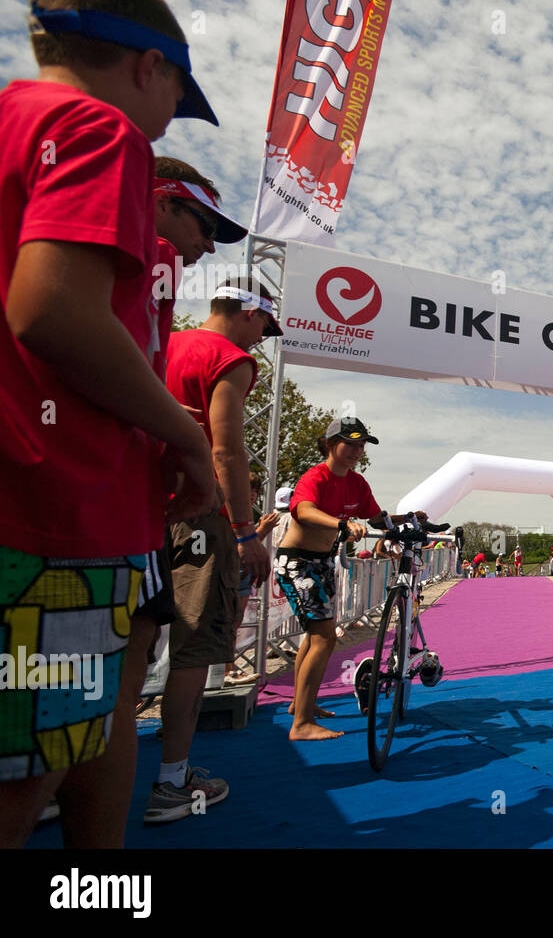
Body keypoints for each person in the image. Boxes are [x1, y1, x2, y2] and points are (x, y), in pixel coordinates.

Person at [0, 0, 221, 848]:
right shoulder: (98, 130)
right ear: (149, 65)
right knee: (25, 781)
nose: (171, 121)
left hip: (54, 506)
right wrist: (182, 433)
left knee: (84, 733)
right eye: (178, 97)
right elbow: (51, 311)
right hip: (57, 512)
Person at [143, 278, 279, 822]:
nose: (263, 341)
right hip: (202, 516)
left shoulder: (164, 343)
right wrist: (245, 533)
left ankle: (69, 776)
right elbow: (228, 451)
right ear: (248, 313)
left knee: (132, 643)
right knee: (193, 652)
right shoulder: (230, 359)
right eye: (265, 328)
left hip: (143, 511)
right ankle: (172, 780)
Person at [274, 417, 390, 734]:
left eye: (361, 444)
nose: (357, 450)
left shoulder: (357, 483)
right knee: (324, 637)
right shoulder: (316, 476)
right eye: (350, 443)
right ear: (330, 444)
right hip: (297, 562)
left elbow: (378, 517)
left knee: (315, 638)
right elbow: (302, 510)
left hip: (323, 562)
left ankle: (302, 705)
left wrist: (407, 525)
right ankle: (302, 724)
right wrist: (341, 524)